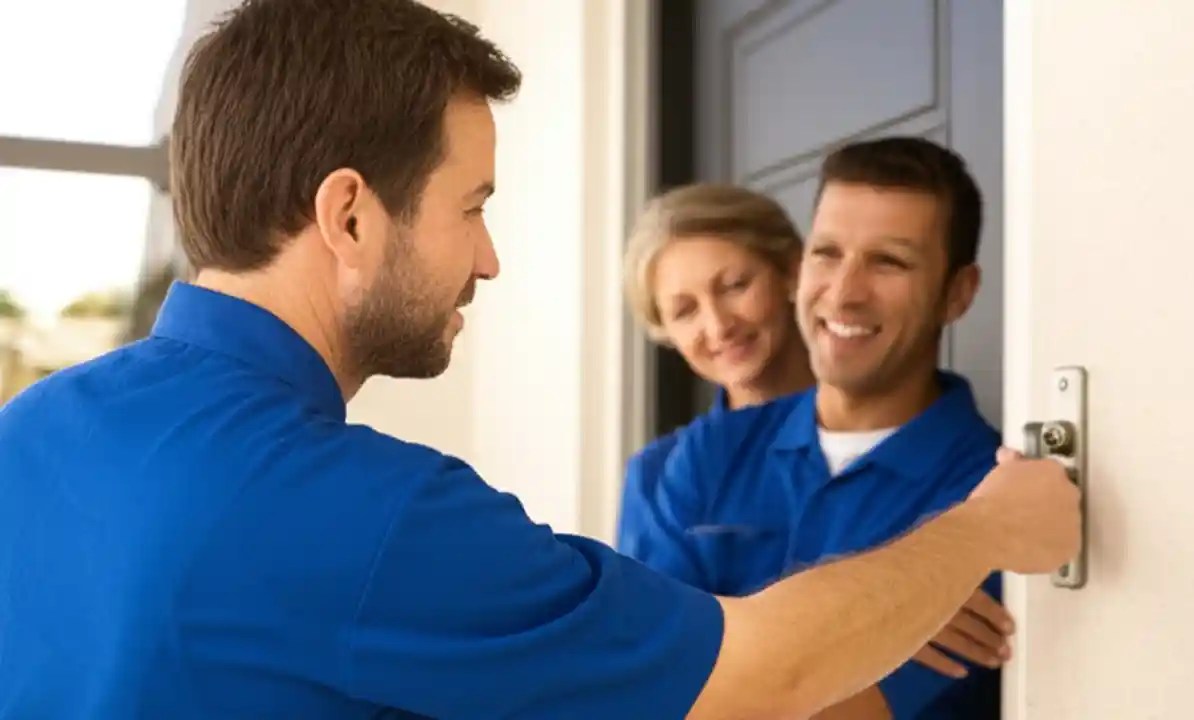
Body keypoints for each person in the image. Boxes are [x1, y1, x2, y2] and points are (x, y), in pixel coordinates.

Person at [0, 2, 1081, 718]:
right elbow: (756, 671)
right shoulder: (368, 515)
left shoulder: (29, 432)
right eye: (468, 206)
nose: (488, 255)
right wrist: (989, 529)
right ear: (348, 215)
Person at [626, 137, 1008, 719]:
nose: (845, 292)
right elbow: (637, 686)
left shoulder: (991, 498)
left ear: (957, 293)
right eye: (828, 253)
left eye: (889, 261)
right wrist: (876, 614)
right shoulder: (707, 452)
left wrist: (726, 643)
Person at [617, 184, 813, 553]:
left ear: (791, 272)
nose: (719, 325)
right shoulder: (653, 479)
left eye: (734, 286)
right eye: (685, 311)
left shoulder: (871, 428)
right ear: (665, 331)